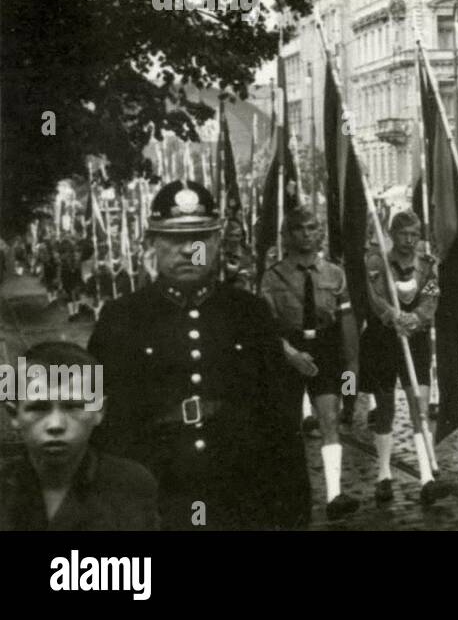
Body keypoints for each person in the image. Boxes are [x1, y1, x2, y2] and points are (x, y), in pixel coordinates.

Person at [87, 180, 310, 530]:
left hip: (237, 487)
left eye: (200, 239)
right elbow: (101, 418)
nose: (187, 250)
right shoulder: (122, 317)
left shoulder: (248, 313)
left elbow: (279, 414)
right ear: (151, 244)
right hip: (155, 489)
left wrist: (290, 507)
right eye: (174, 240)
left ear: (217, 243)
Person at [260, 207, 359, 520]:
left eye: (313, 227)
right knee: (288, 426)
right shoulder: (273, 276)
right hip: (288, 349)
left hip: (325, 349)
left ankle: (334, 495)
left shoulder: (334, 273)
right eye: (299, 228)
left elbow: (346, 323)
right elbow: (265, 325)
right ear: (288, 235)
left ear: (321, 233)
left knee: (329, 419)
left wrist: (352, 367)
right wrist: (290, 354)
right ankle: (291, 495)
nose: (307, 233)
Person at [1, 341, 159, 530]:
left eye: (73, 407)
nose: (56, 425)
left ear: (99, 410)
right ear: (14, 414)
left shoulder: (130, 485)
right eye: (38, 408)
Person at [360, 210, 454, 506]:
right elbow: (373, 298)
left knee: (419, 405)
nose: (409, 240)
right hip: (383, 341)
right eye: (403, 234)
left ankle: (427, 476)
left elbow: (432, 295)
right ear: (392, 234)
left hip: (416, 340)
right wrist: (392, 317)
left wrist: (416, 318)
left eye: (414, 234)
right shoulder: (376, 263)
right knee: (385, 408)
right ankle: (384, 474)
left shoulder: (428, 265)